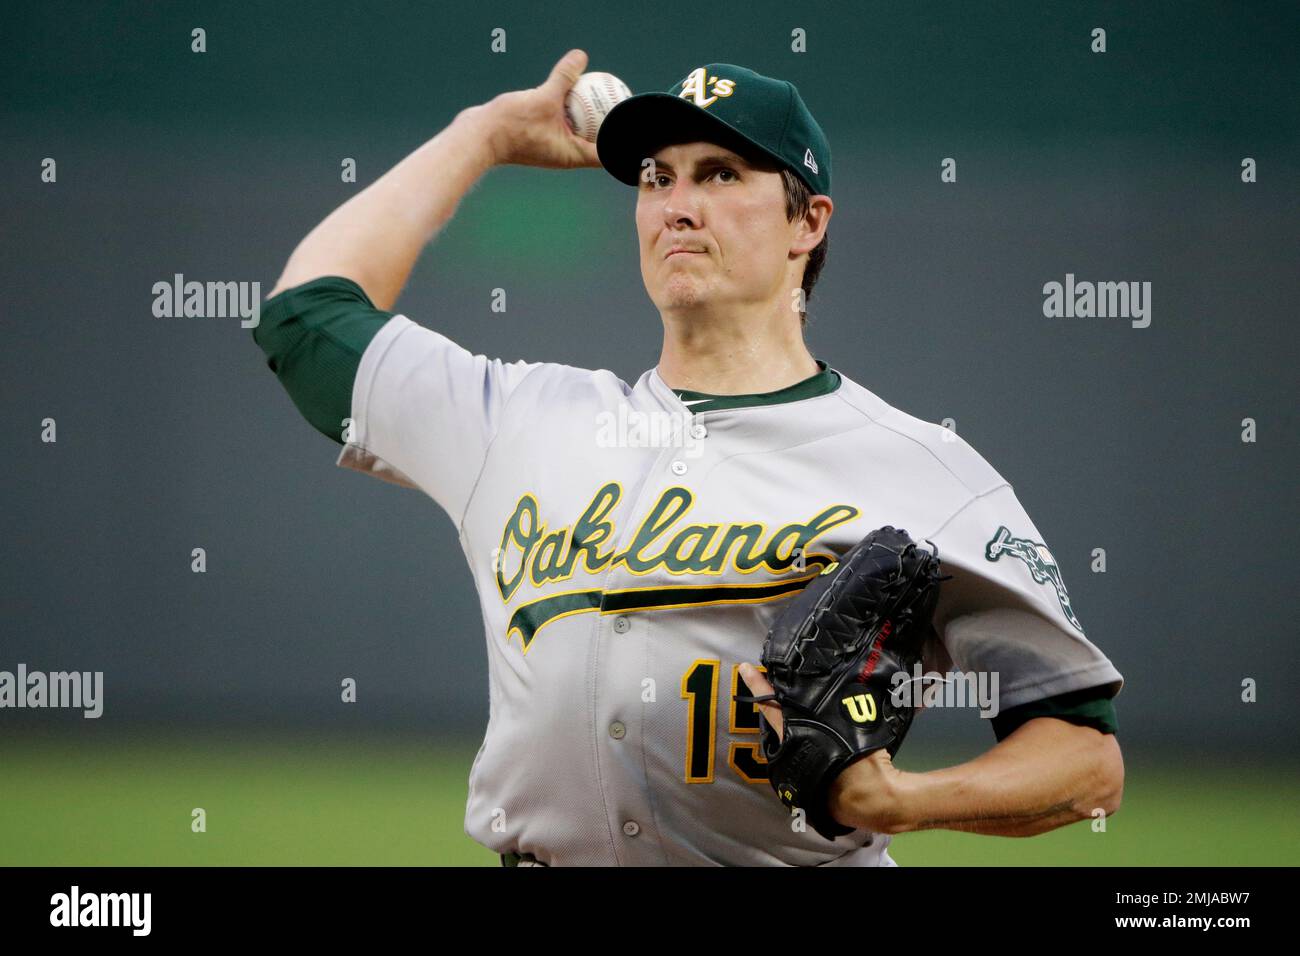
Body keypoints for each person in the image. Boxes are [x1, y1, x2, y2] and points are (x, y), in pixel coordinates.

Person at [252, 50, 1124, 866]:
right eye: (656, 178)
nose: (676, 203)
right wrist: (480, 135)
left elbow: (1085, 760)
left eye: (720, 175)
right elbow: (303, 316)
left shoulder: (927, 470)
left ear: (806, 222)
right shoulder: (519, 419)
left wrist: (908, 801)